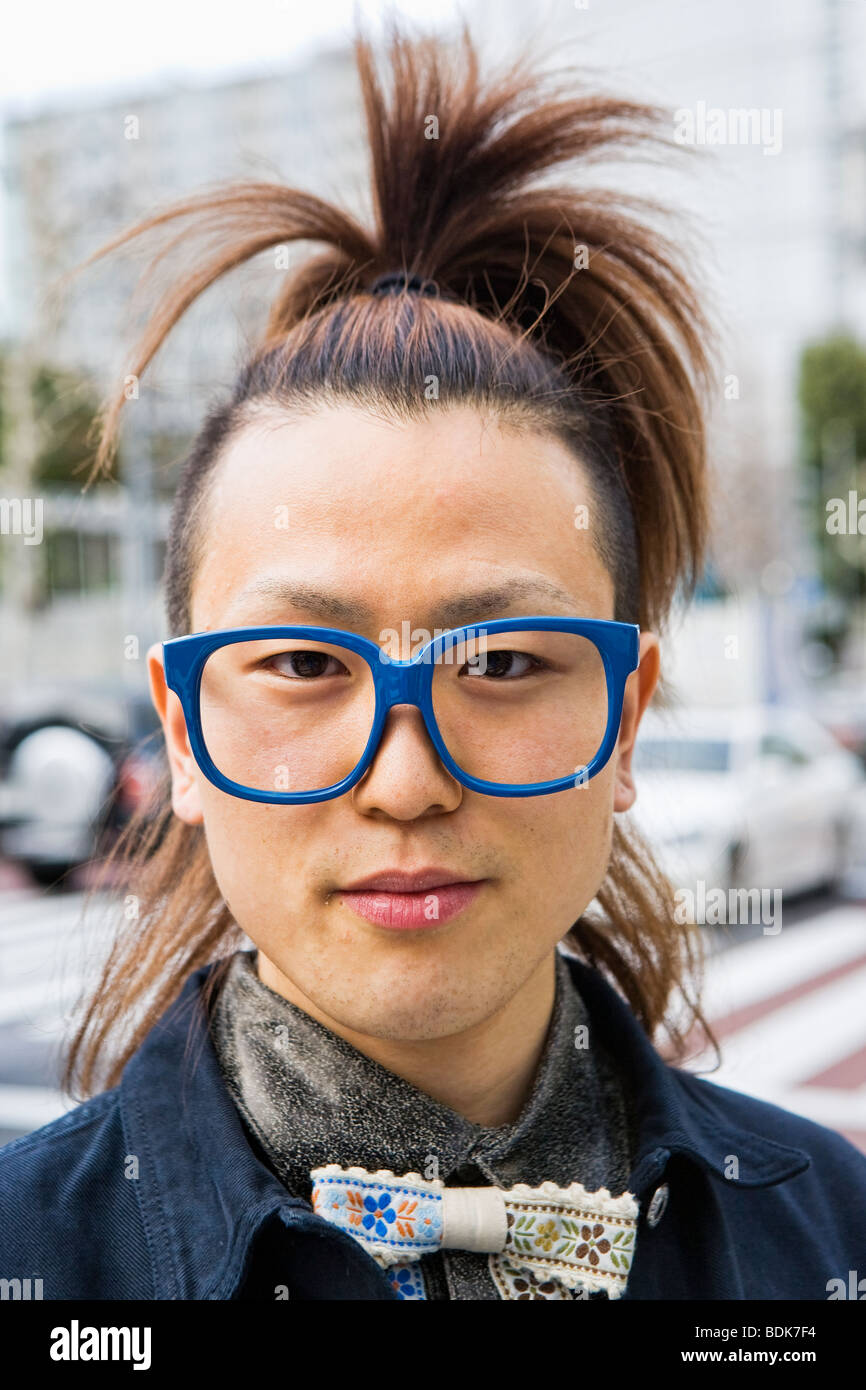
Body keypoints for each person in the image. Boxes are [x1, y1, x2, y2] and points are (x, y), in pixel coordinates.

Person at [1, 18, 864, 1302]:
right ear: (182, 731)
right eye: (300, 661)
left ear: (624, 721)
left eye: (506, 661)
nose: (405, 782)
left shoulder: (830, 1235)